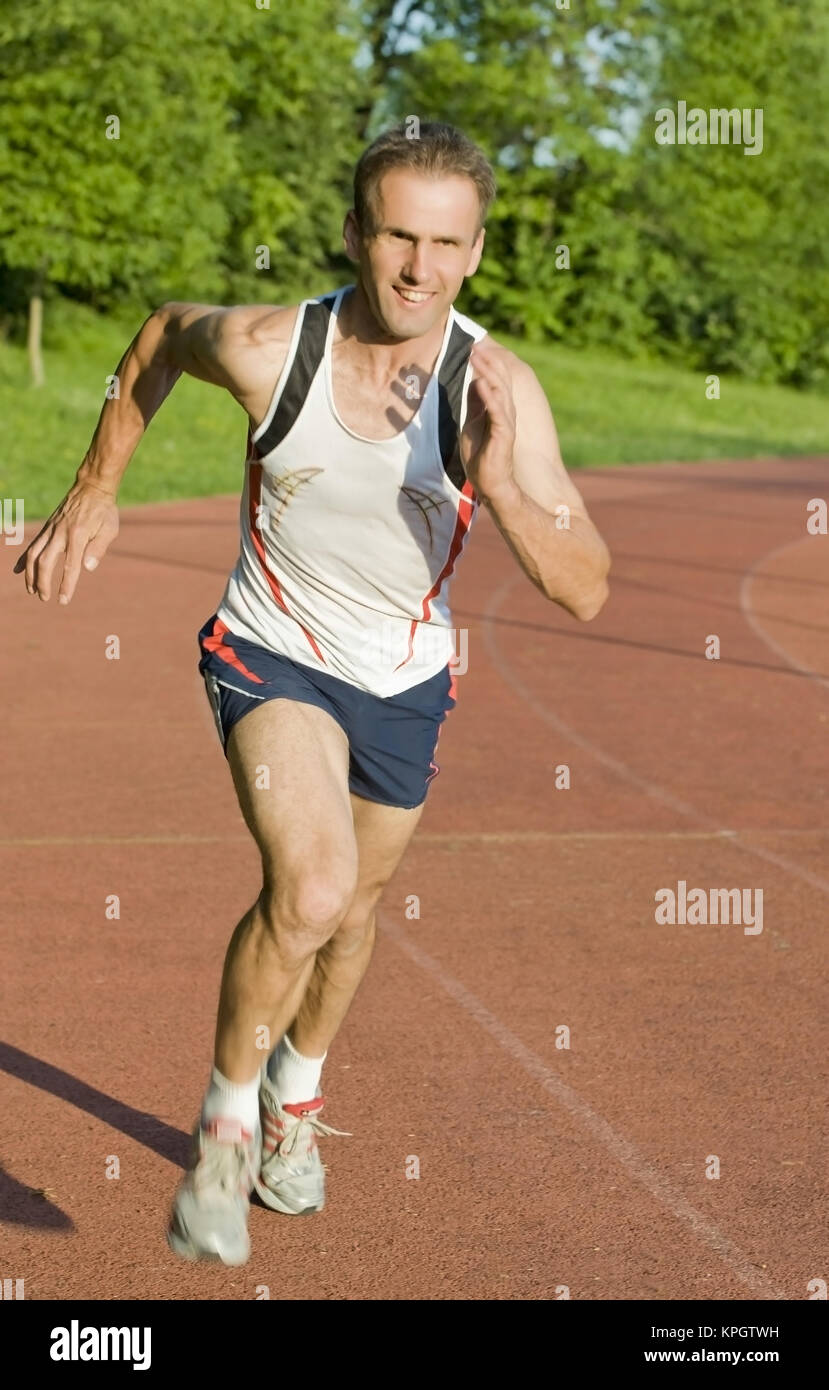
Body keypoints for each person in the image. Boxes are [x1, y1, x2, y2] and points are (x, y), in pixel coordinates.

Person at [15, 122, 610, 1265]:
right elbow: (157, 341)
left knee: (352, 914)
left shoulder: (498, 390)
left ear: (477, 251)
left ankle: (296, 1097)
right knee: (314, 882)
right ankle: (227, 1131)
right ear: (354, 232)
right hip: (268, 650)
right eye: (396, 234)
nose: (417, 267)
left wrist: (502, 488)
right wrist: (96, 486)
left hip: (405, 679)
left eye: (445, 243)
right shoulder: (263, 345)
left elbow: (585, 585)